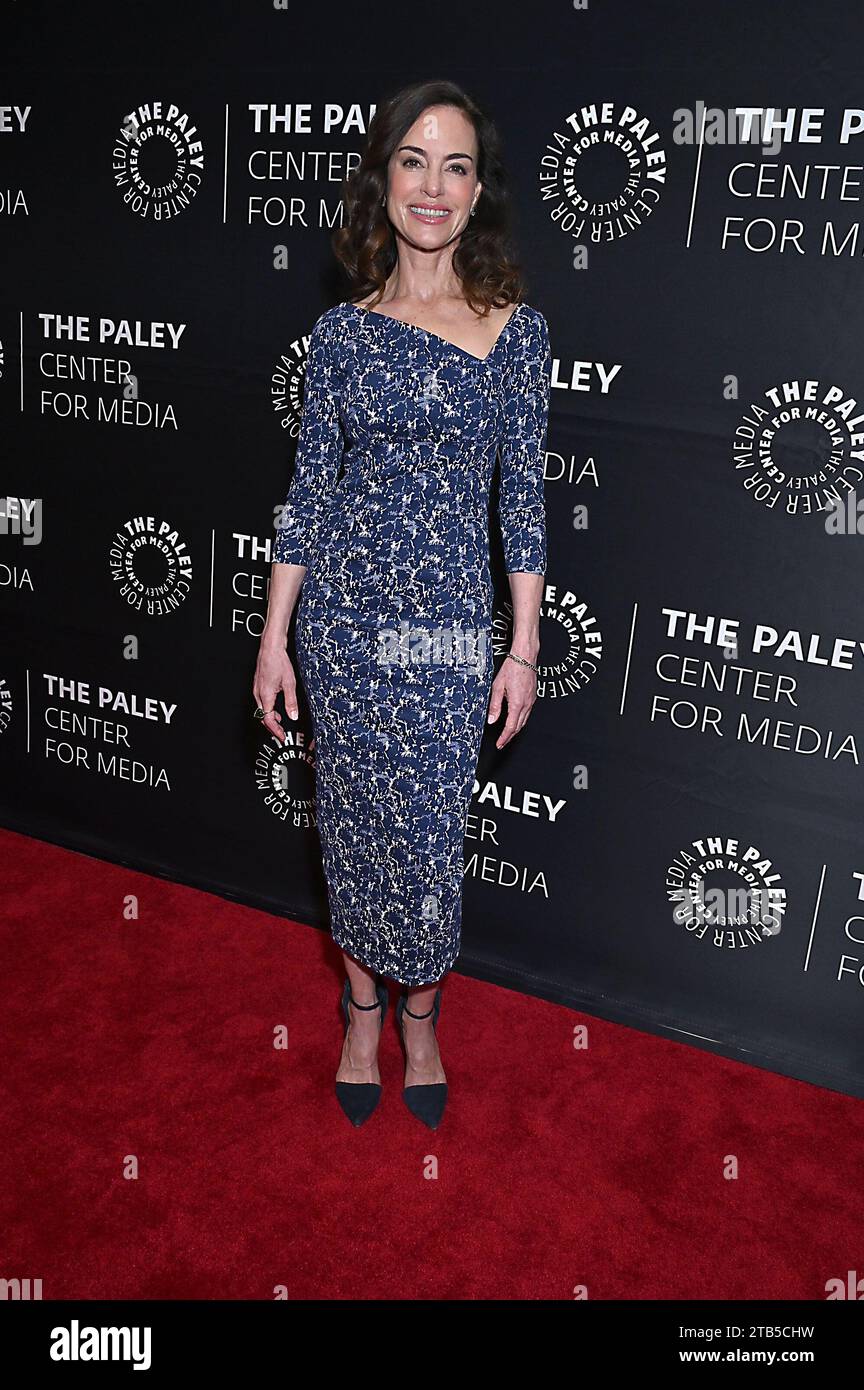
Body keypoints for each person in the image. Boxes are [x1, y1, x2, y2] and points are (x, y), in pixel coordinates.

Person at [253, 78, 551, 1131]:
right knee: (348, 829)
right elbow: (309, 492)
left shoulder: (516, 333)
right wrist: (275, 635)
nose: (433, 184)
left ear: (478, 194)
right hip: (342, 627)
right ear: (384, 182)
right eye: (414, 160)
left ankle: (421, 1018)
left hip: (447, 638)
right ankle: (361, 1010)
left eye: (456, 164)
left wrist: (520, 651)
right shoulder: (340, 336)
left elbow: (523, 497)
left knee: (426, 842)